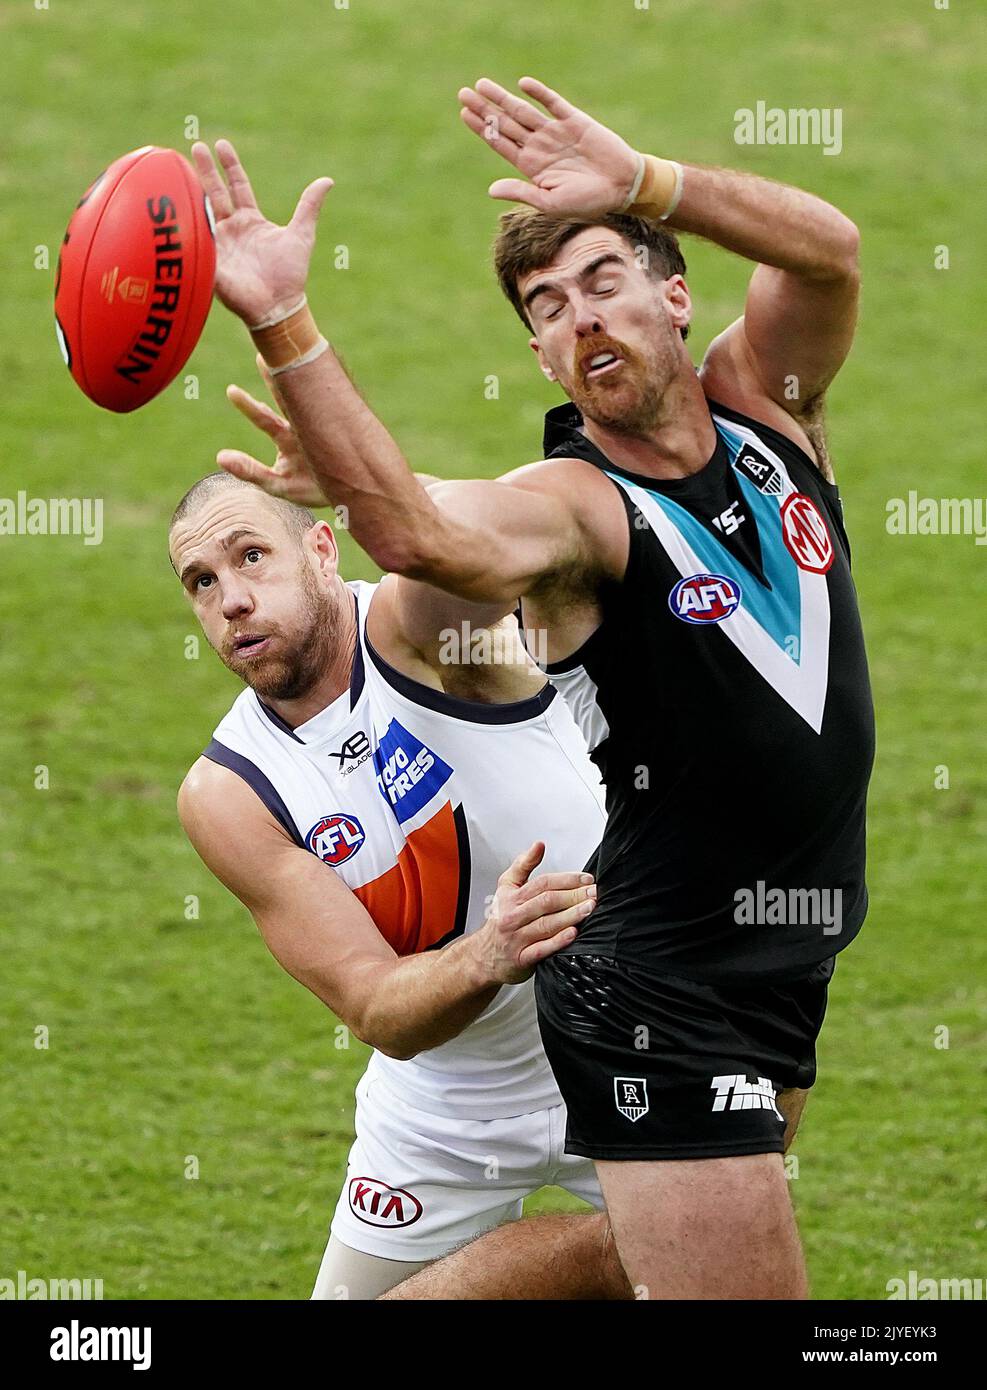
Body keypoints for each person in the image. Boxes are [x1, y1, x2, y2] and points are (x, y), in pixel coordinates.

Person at [191, 73, 874, 1300]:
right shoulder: (582, 510)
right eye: (547, 311)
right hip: (662, 987)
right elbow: (419, 533)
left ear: (675, 292)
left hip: (785, 959)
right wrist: (287, 323)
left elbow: (830, 256)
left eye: (603, 280)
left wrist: (650, 181)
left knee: (663, 1266)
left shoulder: (771, 407)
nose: (579, 321)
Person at [171, 444, 617, 1299]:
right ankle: (639, 1240)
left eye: (250, 556)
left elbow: (484, 544)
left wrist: (353, 473)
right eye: (200, 582)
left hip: (627, 1041)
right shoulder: (230, 792)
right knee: (668, 1247)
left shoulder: (420, 634)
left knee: (709, 1266)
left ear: (322, 550)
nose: (230, 599)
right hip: (446, 1114)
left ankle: (648, 1240)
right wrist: (493, 950)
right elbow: (380, 1009)